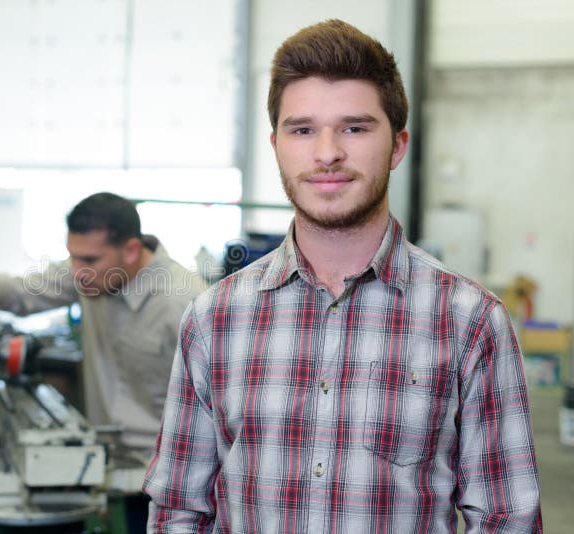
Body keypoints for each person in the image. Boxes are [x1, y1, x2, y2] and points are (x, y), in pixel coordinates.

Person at [143, 19, 542, 533]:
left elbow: (507, 518)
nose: (327, 152)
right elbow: (179, 510)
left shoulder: (469, 321)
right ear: (276, 144)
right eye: (303, 129)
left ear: (398, 146)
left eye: (354, 127)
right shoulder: (215, 318)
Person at [0, 192, 208, 456]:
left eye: (89, 260)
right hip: (105, 457)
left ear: (131, 250)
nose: (77, 271)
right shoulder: (91, 277)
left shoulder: (187, 305)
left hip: (166, 474)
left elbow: (220, 407)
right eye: (73, 257)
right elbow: (24, 292)